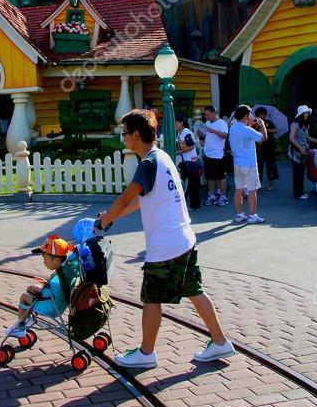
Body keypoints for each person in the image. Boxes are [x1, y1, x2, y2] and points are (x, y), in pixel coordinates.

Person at [97, 109, 235, 367]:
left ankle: (146, 354)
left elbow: (126, 198)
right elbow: (140, 201)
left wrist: (103, 222)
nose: (123, 138)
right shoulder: (162, 157)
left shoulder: (147, 163)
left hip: (166, 245)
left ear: (136, 135)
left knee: (151, 297)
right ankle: (219, 342)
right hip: (185, 238)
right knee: (195, 290)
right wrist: (110, 218)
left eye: (124, 134)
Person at [5, 235, 76, 337]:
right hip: (61, 303)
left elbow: (48, 291)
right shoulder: (67, 268)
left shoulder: (59, 273)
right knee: (33, 289)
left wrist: (38, 288)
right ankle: (30, 319)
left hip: (51, 307)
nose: (43, 261)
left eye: (45, 258)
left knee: (24, 296)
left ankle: (19, 327)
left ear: (56, 260)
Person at [229, 105, 268, 224]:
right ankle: (252, 215)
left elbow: (244, 135)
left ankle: (239, 215)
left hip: (237, 163)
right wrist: (262, 125)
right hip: (249, 164)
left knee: (239, 190)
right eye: (250, 114)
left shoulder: (233, 127)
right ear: (246, 115)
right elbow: (263, 138)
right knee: (252, 191)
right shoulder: (247, 130)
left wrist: (250, 126)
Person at [198, 106, 229, 206]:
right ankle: (212, 195)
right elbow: (204, 134)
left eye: (207, 114)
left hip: (218, 154)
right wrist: (200, 132)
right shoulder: (207, 123)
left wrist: (213, 131)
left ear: (213, 113)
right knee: (210, 177)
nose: (206, 117)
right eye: (205, 115)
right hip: (208, 153)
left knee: (221, 176)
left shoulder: (221, 123)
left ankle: (223, 197)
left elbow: (225, 135)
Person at [288, 105, 317, 200]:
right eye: (305, 113)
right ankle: (298, 193)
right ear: (301, 114)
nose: (307, 115)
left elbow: (307, 137)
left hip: (303, 151)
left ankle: (300, 192)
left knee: (301, 172)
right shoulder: (295, 125)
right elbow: (291, 138)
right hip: (296, 151)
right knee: (297, 173)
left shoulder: (305, 125)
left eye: (307, 113)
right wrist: (299, 147)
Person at [176, 117, 202, 211]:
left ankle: (194, 205)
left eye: (176, 123)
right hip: (185, 162)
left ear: (181, 122)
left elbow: (191, 146)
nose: (175, 125)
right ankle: (189, 204)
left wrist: (180, 152)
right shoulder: (180, 133)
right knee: (187, 184)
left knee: (192, 185)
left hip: (191, 162)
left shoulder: (186, 133)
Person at [254, 107, 279, 191]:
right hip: (259, 148)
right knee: (259, 166)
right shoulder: (255, 123)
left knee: (270, 165)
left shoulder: (269, 122)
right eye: (260, 114)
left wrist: (266, 129)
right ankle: (258, 184)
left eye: (263, 114)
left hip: (269, 147)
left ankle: (271, 183)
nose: (262, 116)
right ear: (257, 115)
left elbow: (276, 130)